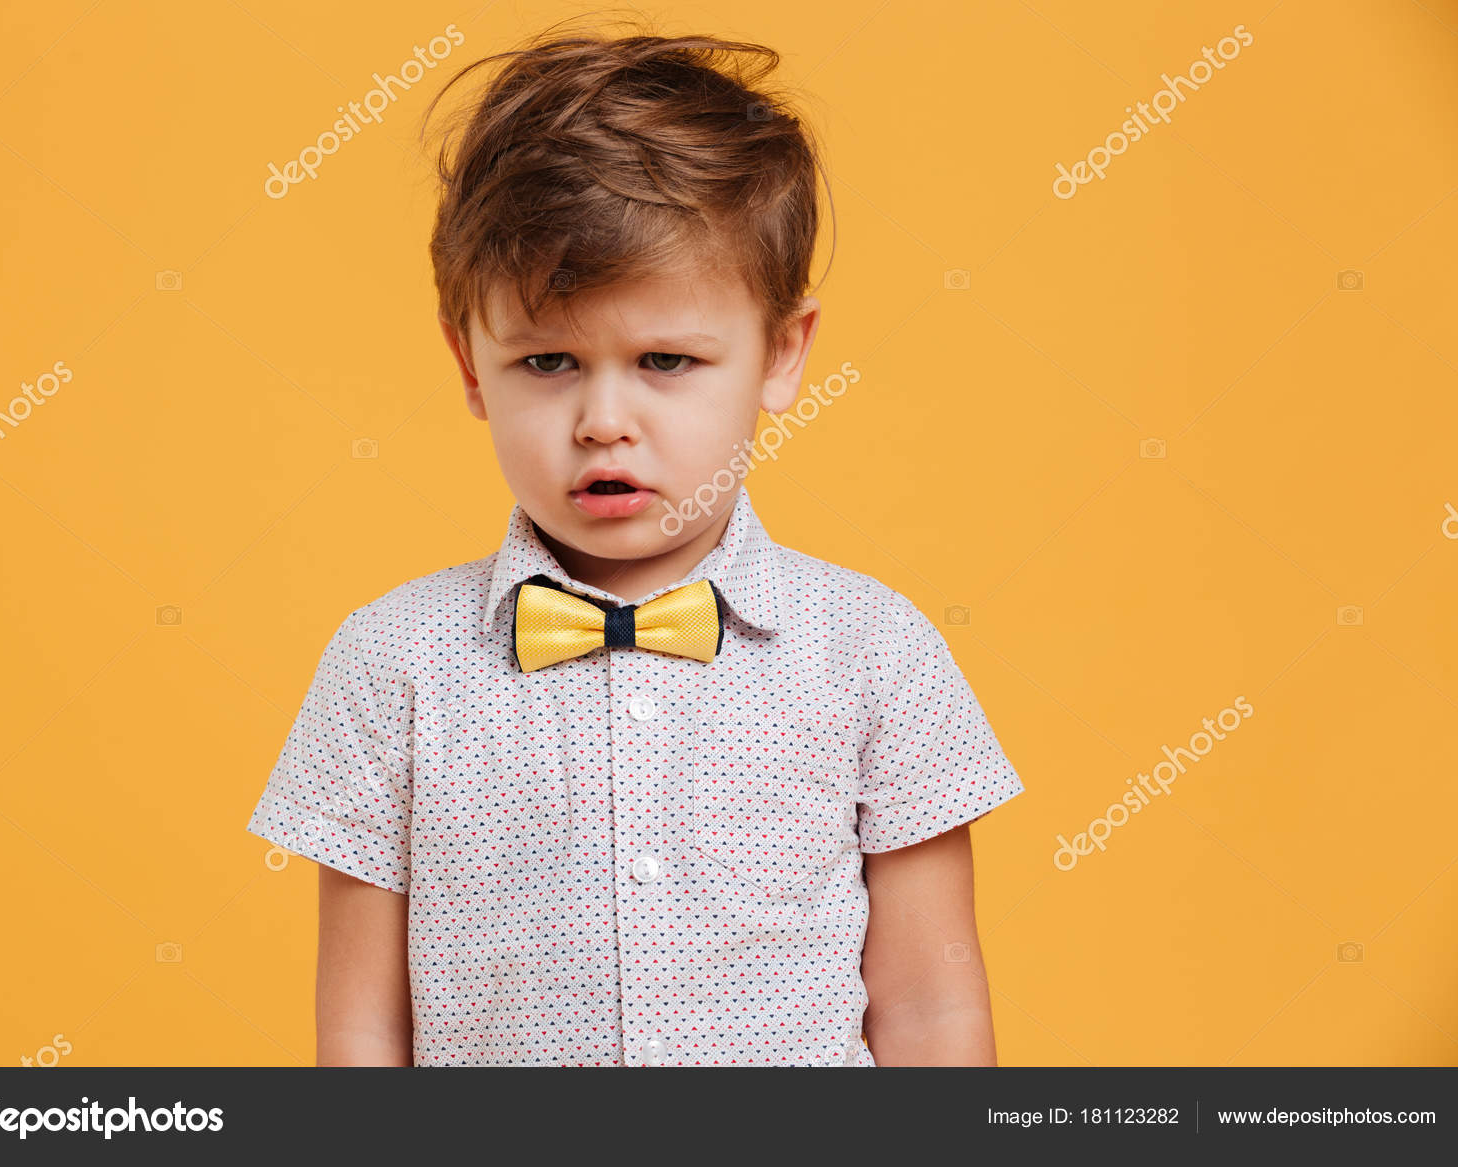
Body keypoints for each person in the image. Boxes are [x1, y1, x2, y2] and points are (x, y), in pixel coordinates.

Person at [246, 17, 1025, 1067]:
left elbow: (931, 1015)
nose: (603, 420)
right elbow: (359, 1033)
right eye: (547, 363)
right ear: (470, 364)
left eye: (664, 360)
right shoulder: (390, 663)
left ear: (782, 355)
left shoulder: (875, 652)